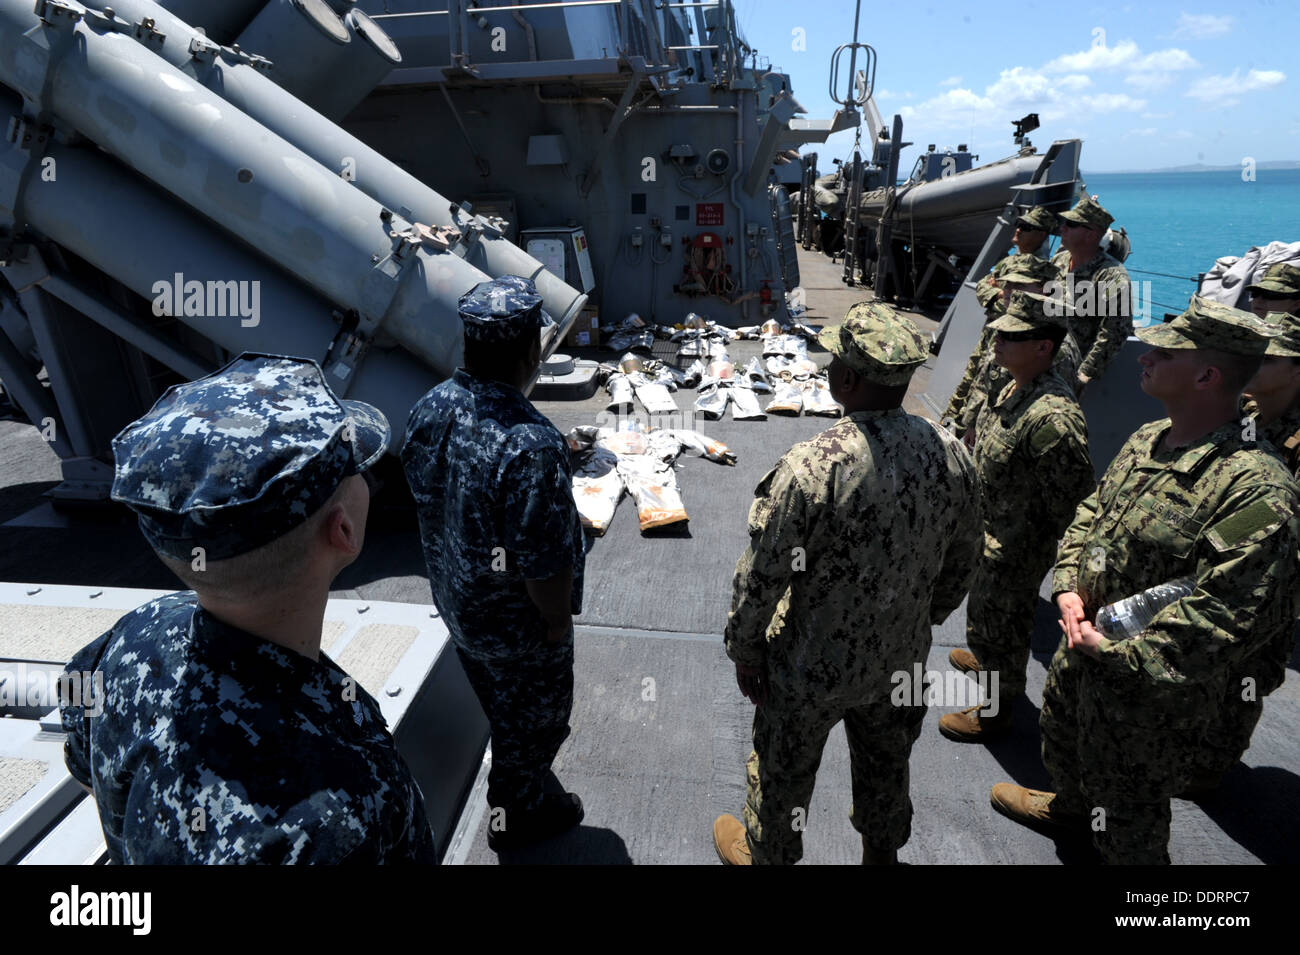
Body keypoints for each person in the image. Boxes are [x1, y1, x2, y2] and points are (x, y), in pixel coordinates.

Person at [59, 353, 437, 864]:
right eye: (357, 470)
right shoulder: (347, 801)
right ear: (343, 531)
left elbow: (87, 767)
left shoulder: (128, 642)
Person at [991, 297, 1300, 864]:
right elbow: (1092, 512)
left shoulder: (1255, 488)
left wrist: (1114, 653)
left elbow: (1228, 611)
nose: (1144, 358)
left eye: (1164, 353)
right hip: (1083, 646)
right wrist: (1066, 586)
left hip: (1146, 693)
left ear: (1207, 376)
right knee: (1065, 746)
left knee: (1129, 806)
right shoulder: (1148, 439)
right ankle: (1072, 811)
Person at [713, 303, 982, 865]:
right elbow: (962, 560)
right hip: (901, 657)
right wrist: (918, 618)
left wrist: (746, 653)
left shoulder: (812, 467)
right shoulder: (952, 454)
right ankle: (880, 856)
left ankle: (772, 853)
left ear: (847, 378)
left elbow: (763, 576)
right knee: (887, 763)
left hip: (810, 664)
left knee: (784, 770)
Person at [401, 275, 586, 852]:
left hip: (459, 611)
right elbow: (546, 567)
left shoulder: (430, 408)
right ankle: (515, 810)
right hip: (520, 632)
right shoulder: (531, 446)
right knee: (539, 723)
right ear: (532, 350)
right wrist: (556, 622)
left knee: (498, 706)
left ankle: (518, 774)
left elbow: (433, 494)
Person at [939, 292, 1094, 742]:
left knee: (1001, 623)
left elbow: (1075, 503)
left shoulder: (1053, 418)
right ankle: (990, 664)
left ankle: (996, 707)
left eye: (1011, 336)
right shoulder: (1013, 387)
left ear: (1043, 347)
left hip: (1015, 548)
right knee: (987, 619)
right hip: (989, 534)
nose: (997, 341)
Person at [1189, 308, 1300, 788]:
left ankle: (1212, 765)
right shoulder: (1249, 415)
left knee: (1246, 677)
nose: (1254, 363)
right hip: (1225, 564)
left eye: (1269, 358)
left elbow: (1286, 518)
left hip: (1276, 580)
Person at [944, 253, 1081, 444]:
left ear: (1046, 290)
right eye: (1007, 285)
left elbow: (1045, 413)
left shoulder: (1057, 349)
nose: (1009, 291)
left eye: (1020, 286)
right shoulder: (1009, 325)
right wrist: (970, 423)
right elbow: (985, 381)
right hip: (984, 434)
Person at [1049, 196, 1132, 393]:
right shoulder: (1059, 260)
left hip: (1070, 371)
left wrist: (1085, 373)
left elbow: (1115, 330)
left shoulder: (1111, 276)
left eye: (1071, 224)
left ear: (1091, 235)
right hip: (1041, 360)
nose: (1063, 228)